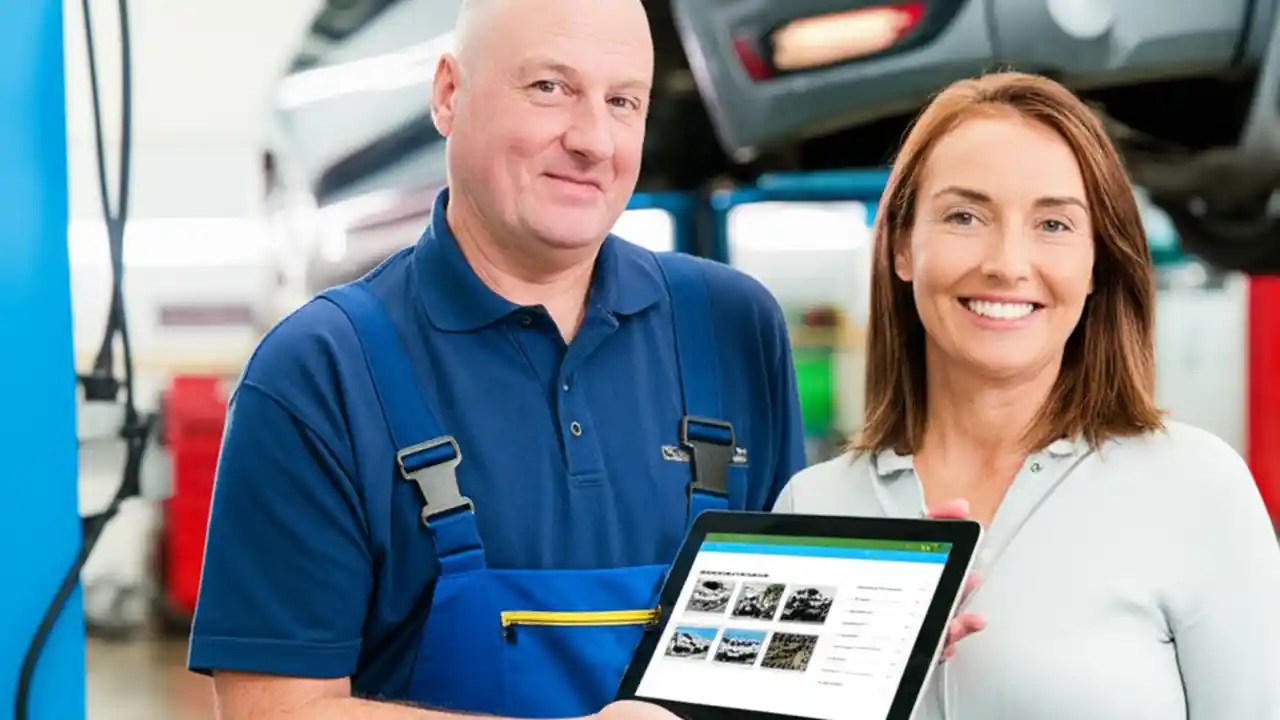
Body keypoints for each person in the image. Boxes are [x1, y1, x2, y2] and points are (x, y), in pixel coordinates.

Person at [188, 1, 981, 718]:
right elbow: (272, 713)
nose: (592, 140)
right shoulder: (317, 371)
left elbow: (759, 662)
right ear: (449, 94)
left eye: (622, 101)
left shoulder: (734, 327)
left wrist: (871, 629)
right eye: (549, 88)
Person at [774, 71, 1280, 719]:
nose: (1008, 262)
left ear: (1098, 260)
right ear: (902, 244)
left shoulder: (1197, 489)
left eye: (1054, 224)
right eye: (964, 215)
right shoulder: (813, 507)